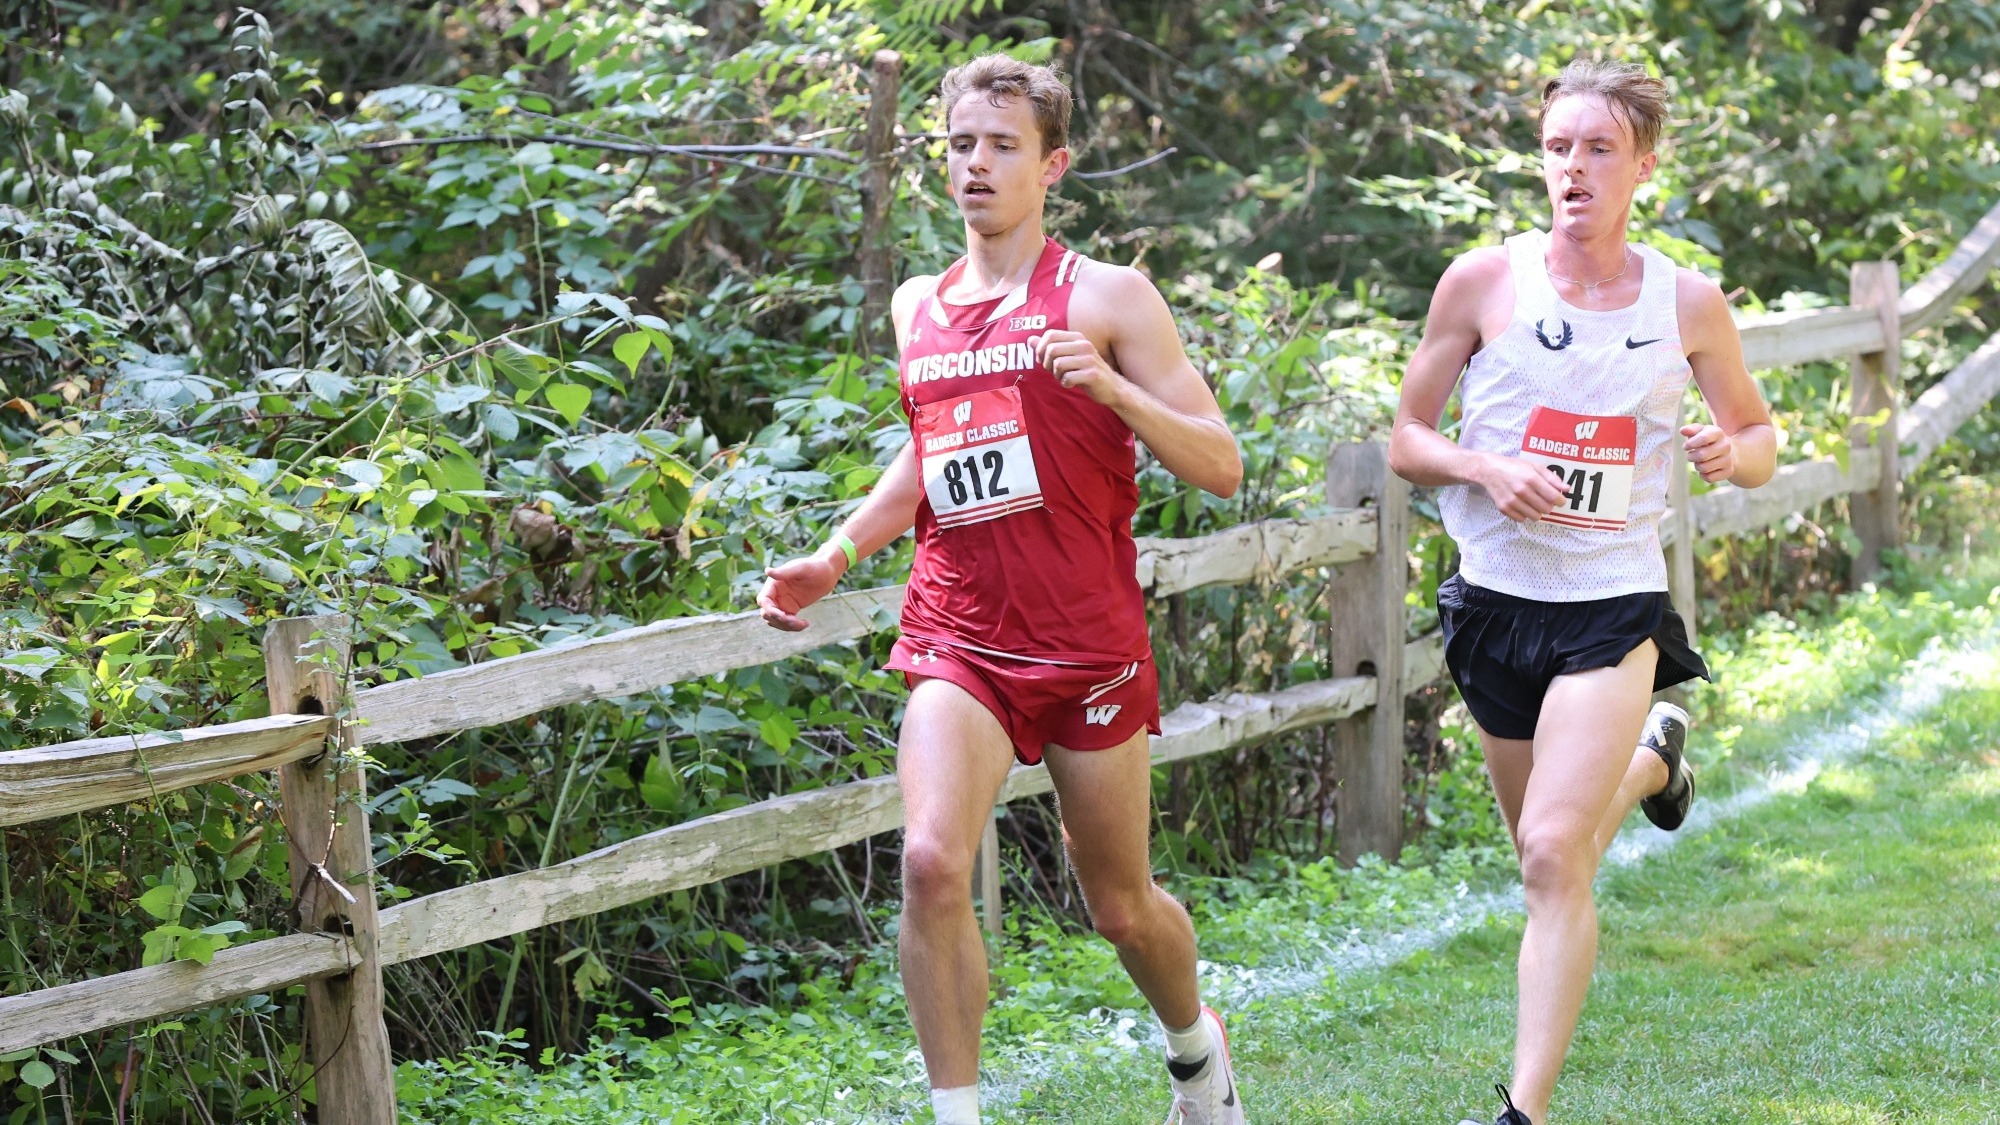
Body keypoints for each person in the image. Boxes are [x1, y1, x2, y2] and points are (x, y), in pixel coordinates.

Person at [758, 55, 1247, 1125]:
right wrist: (835, 555)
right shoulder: (915, 307)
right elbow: (931, 452)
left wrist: (1112, 387)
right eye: (959, 145)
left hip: (1085, 645)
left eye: (1001, 146)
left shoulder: (1109, 297)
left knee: (1118, 906)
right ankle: (957, 1115)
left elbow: (1220, 461)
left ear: (1052, 164)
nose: (975, 165)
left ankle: (1196, 1054)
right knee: (932, 863)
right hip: (958, 636)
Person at [1387, 58, 1776, 1125]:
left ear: (1640, 165)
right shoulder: (1480, 283)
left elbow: (1757, 439)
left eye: (1596, 148)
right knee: (1540, 854)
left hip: (1609, 609)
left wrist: (1724, 454)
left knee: (1556, 855)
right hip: (1493, 606)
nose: (1571, 168)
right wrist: (1481, 468)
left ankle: (1522, 1112)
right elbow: (1406, 438)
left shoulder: (1684, 304)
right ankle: (1654, 761)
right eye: (1556, 147)